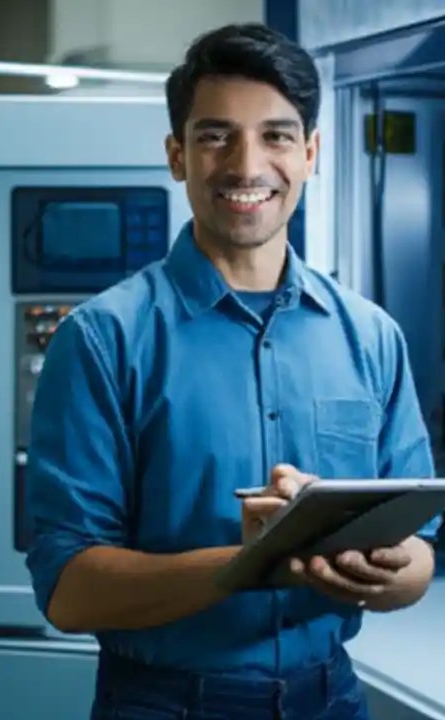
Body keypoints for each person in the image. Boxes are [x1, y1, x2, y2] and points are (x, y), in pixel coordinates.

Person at [23, 23, 436, 720]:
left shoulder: (371, 336)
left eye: (276, 136)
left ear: (309, 154)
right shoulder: (103, 340)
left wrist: (389, 571)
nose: (248, 166)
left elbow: (417, 557)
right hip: (164, 703)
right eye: (216, 136)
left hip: (332, 697)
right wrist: (247, 562)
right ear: (177, 155)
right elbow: (69, 590)